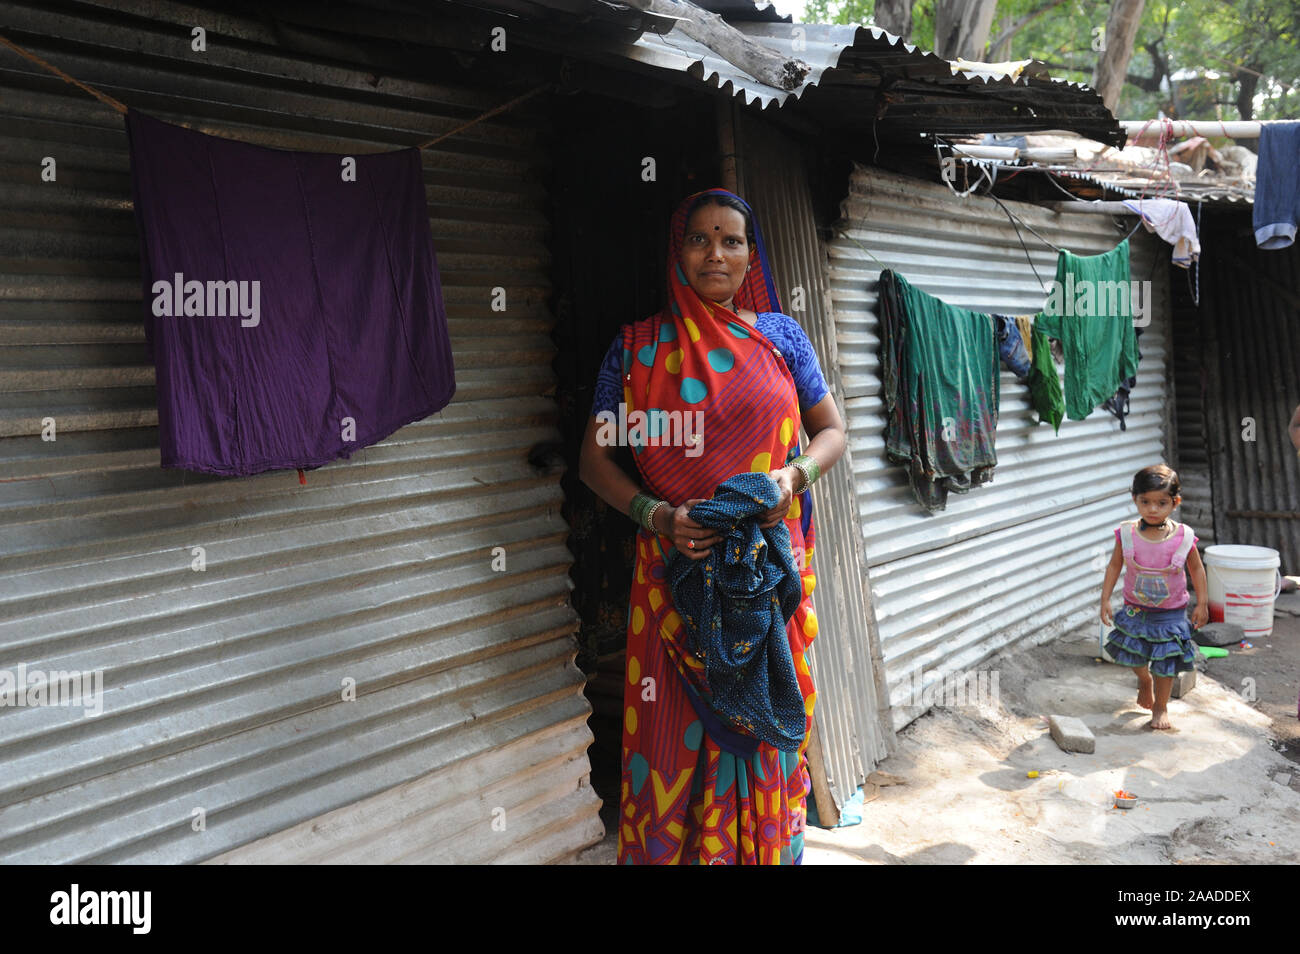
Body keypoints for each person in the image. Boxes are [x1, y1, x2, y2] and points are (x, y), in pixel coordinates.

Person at [578, 188, 846, 864]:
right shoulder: (636, 350)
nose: (716, 253)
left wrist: (791, 479)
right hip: (672, 580)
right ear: (679, 251)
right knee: (669, 739)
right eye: (700, 239)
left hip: (765, 580)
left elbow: (832, 432)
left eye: (731, 240)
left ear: (751, 254)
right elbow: (593, 461)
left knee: (763, 732)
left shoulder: (781, 337)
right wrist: (658, 516)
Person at [1099, 464, 1208, 730]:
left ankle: (1160, 707)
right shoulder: (1127, 534)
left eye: (1161, 503)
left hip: (1170, 614)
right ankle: (1143, 680)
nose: (1152, 509)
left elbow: (1196, 568)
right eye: (1145, 502)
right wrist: (1105, 599)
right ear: (1134, 499)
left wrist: (1203, 603)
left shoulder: (1184, 537)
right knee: (1133, 655)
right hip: (1135, 611)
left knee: (1165, 663)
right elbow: (1114, 566)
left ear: (1175, 502)